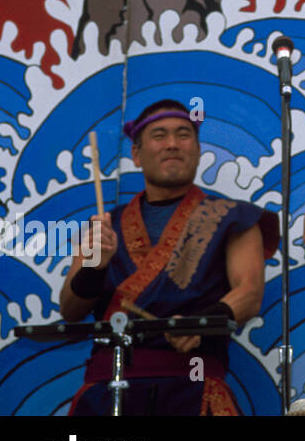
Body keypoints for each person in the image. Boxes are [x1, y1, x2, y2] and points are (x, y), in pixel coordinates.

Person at [61, 100, 276, 415]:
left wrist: (202, 323)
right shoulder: (105, 226)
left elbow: (250, 293)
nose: (173, 144)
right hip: (108, 390)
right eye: (159, 135)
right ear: (136, 154)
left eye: (183, 134)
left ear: (198, 150)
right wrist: (95, 267)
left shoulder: (234, 216)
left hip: (194, 384)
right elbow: (70, 309)